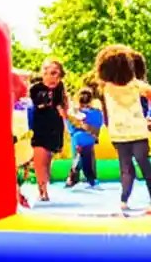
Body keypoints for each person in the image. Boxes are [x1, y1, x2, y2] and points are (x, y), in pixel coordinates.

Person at [95, 45, 151, 216]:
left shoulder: (107, 87)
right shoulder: (133, 85)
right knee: (141, 164)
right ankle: (148, 200)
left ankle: (128, 200)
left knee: (127, 168)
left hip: (122, 133)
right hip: (133, 132)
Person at [28, 60, 67, 202]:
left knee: (47, 160)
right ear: (43, 74)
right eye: (48, 73)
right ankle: (42, 190)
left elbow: (62, 107)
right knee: (40, 159)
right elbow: (40, 103)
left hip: (55, 128)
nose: (52, 77)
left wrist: (65, 113)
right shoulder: (36, 88)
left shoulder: (60, 88)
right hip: (40, 128)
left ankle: (44, 185)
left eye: (55, 74)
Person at [65, 88, 104, 188]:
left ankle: (73, 178)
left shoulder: (73, 113)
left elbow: (70, 128)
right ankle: (91, 178)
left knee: (78, 156)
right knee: (88, 156)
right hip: (89, 138)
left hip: (77, 138)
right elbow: (97, 128)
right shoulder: (96, 112)